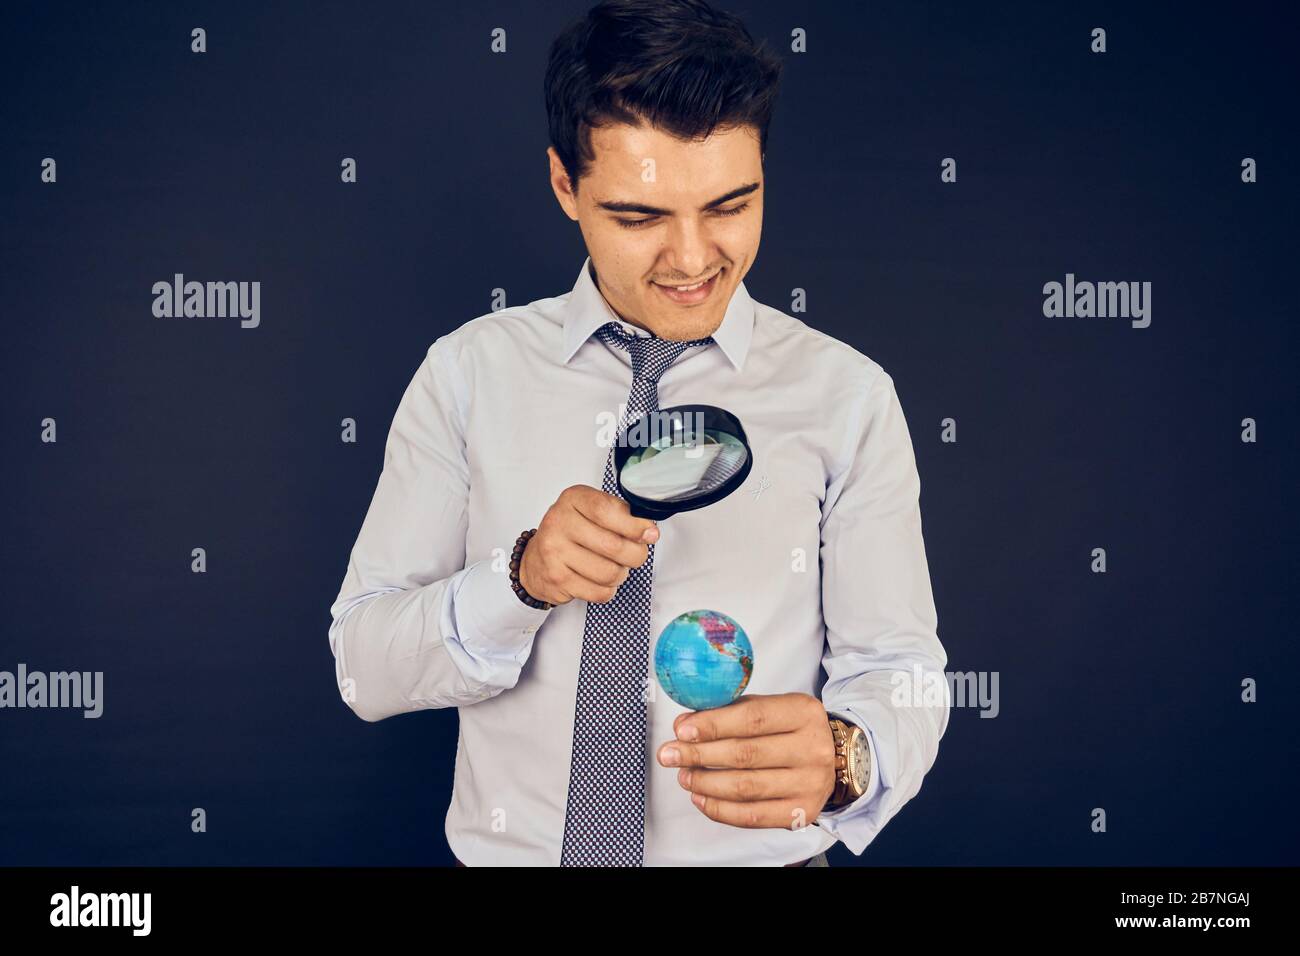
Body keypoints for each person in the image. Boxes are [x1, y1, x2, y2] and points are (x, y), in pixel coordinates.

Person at [328, 0, 950, 867]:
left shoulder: (847, 396)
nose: (693, 260)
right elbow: (362, 667)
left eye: (730, 205)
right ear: (563, 185)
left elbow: (903, 671)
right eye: (639, 217)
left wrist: (852, 758)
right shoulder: (468, 374)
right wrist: (520, 580)